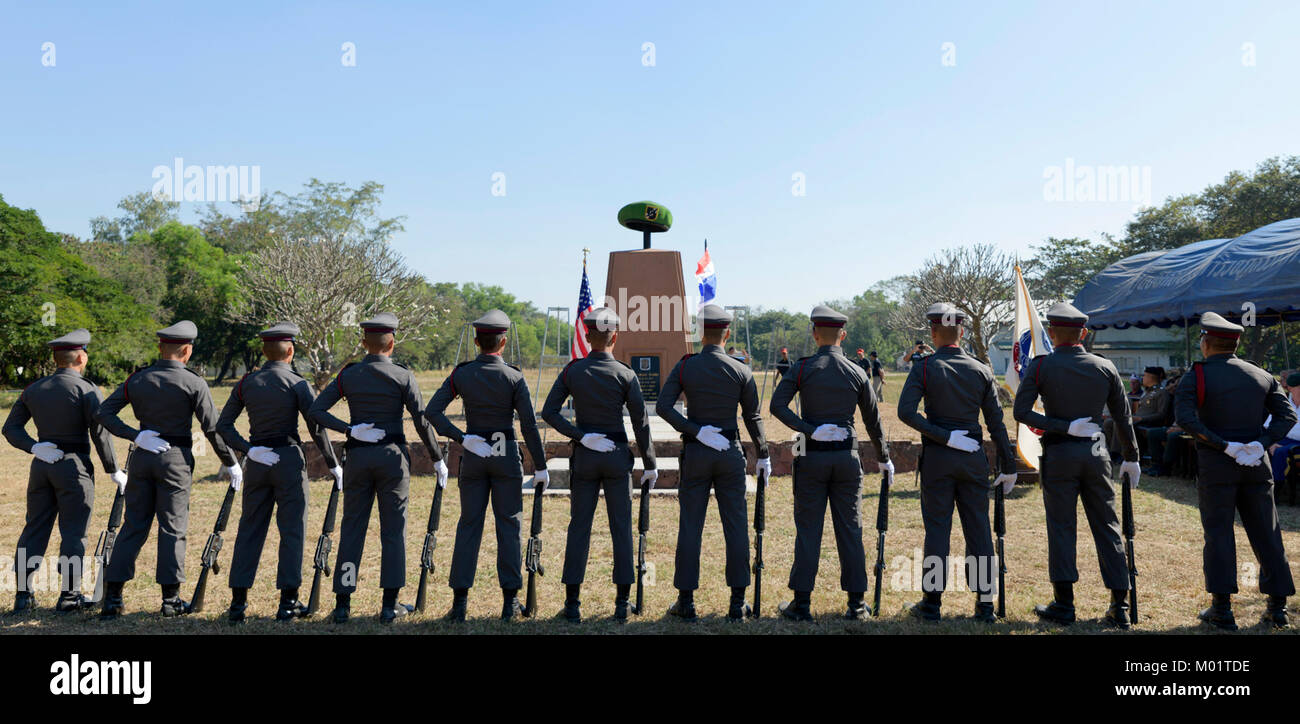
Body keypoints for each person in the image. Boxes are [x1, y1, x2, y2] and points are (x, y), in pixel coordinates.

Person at [94, 321, 242, 619]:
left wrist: (134, 435)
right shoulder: (194, 382)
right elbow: (211, 428)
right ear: (187, 350)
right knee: (172, 526)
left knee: (134, 524)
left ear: (160, 348)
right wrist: (230, 461)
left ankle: (112, 598)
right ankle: (170, 599)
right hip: (175, 459)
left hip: (142, 455)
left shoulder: (137, 379)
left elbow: (103, 413)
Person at [307, 313, 448, 624]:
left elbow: (317, 410)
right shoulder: (402, 376)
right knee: (394, 531)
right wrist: (437, 457)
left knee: (352, 528)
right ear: (392, 342)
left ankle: (343, 603)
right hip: (392, 459)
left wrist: (349, 430)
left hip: (358, 456)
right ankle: (389, 604)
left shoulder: (349, 374)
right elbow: (421, 419)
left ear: (363, 343)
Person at [1012, 303, 1140, 629]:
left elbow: (1021, 413)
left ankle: (1064, 604)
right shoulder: (1105, 366)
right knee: (1108, 527)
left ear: (1052, 334)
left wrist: (1062, 426)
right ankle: (1119, 605)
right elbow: (1123, 418)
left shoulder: (1041, 366)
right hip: (1097, 455)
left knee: (1062, 528)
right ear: (1083, 333)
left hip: (1059, 454)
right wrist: (1131, 457)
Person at [216, 322, 346, 624]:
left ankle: (238, 603)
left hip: (258, 460)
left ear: (264, 351)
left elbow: (223, 426)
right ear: (291, 351)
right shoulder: (298, 383)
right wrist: (332, 462)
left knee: (249, 529)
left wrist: (248, 449)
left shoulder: (247, 382)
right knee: (292, 530)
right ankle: (288, 603)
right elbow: (316, 426)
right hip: (288, 459)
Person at [1174, 313, 1296, 629]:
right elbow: (1287, 418)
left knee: (1218, 534)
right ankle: (1277, 607)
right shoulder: (1262, 375)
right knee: (1267, 533)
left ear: (1205, 342)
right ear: (1236, 344)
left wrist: (1223, 445)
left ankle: (1222, 609)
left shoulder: (1196, 375)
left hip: (1218, 465)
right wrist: (1260, 443)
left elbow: (1186, 420)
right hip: (1257, 465)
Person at [769, 305, 892, 621]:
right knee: (850, 528)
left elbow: (777, 406)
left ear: (814, 334)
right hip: (847, 458)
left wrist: (809, 429)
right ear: (844, 335)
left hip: (811, 455)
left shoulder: (802, 367)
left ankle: (802, 603)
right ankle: (855, 604)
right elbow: (873, 420)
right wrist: (884, 457)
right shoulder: (856, 371)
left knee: (808, 528)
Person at [896, 304, 1017, 622]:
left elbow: (906, 412)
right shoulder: (981, 369)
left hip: (939, 457)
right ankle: (985, 605)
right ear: (962, 332)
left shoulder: (924, 367)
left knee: (938, 530)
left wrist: (943, 436)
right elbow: (996, 422)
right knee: (978, 529)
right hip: (973, 458)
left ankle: (932, 604)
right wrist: (1010, 463)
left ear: (934, 333)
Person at [426, 309, 548, 621]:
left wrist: (461, 438)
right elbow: (529, 426)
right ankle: (509, 602)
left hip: (476, 452)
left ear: (477, 341)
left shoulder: (462, 374)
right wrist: (541, 466)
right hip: (505, 453)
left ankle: (460, 604)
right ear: (503, 342)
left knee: (469, 525)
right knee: (509, 525)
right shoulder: (514, 377)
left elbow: (433, 412)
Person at [539, 307, 656, 622]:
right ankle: (621, 603)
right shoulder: (625, 373)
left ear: (587, 336)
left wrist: (580, 436)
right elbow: (641, 422)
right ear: (615, 336)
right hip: (617, 454)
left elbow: (548, 412)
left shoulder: (573, 371)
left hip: (587, 456)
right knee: (621, 528)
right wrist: (650, 463)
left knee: (579, 527)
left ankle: (573, 604)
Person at [656, 304, 769, 621]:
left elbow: (664, 407)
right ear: (727, 333)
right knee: (736, 526)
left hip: (696, 452)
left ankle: (686, 601)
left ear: (699, 331)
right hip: (730, 453)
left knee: (691, 525)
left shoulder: (686, 366)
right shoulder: (741, 369)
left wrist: (695, 431)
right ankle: (737, 602)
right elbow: (752, 416)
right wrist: (764, 453)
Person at [3, 329, 125, 614]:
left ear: (56, 359)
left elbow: (10, 428)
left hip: (42, 465)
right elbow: (100, 433)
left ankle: (23, 596)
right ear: (81, 357)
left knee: (34, 528)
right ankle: (69, 596)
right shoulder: (87, 389)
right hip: (74, 466)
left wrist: (34, 447)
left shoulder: (34, 389)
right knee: (73, 532)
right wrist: (114, 470)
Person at [1105, 366, 1170, 461]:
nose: (1142, 378)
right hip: (1137, 419)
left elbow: (1161, 414)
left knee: (1120, 422)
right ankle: (1113, 450)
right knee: (1108, 422)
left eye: (1145, 375)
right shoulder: (1147, 391)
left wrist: (1141, 419)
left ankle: (1118, 453)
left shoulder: (1161, 392)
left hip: (1148, 422)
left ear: (1151, 377)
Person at [1266, 371, 1300, 489]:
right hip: (1284, 439)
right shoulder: (1286, 404)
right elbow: (1269, 424)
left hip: (1296, 443)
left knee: (1281, 452)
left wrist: (1279, 443)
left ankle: (1276, 488)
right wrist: (1273, 441)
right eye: (1298, 388)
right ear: (1290, 389)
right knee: (1260, 445)